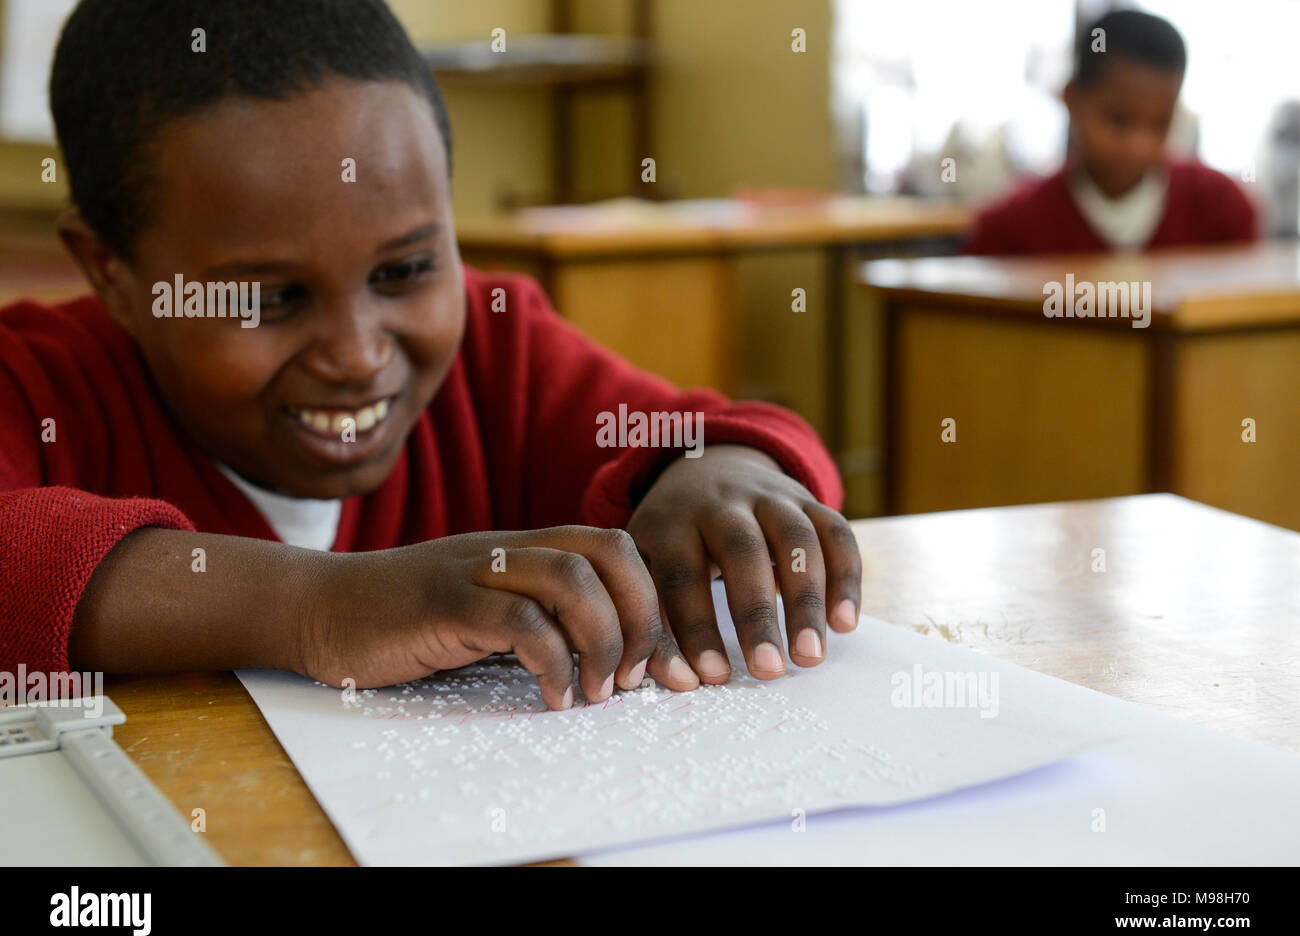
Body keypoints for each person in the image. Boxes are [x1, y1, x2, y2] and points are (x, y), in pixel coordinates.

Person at [0, 0, 862, 710]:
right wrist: (322, 605)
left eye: (406, 269)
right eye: (269, 300)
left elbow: (703, 432)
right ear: (112, 273)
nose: (355, 353)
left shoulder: (498, 354)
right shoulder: (39, 384)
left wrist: (721, 470)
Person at [964, 9, 1256, 255]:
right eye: (1118, 120)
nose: (1137, 146)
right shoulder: (1010, 227)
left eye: (1160, 123)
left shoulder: (1221, 209)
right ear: (1072, 99)